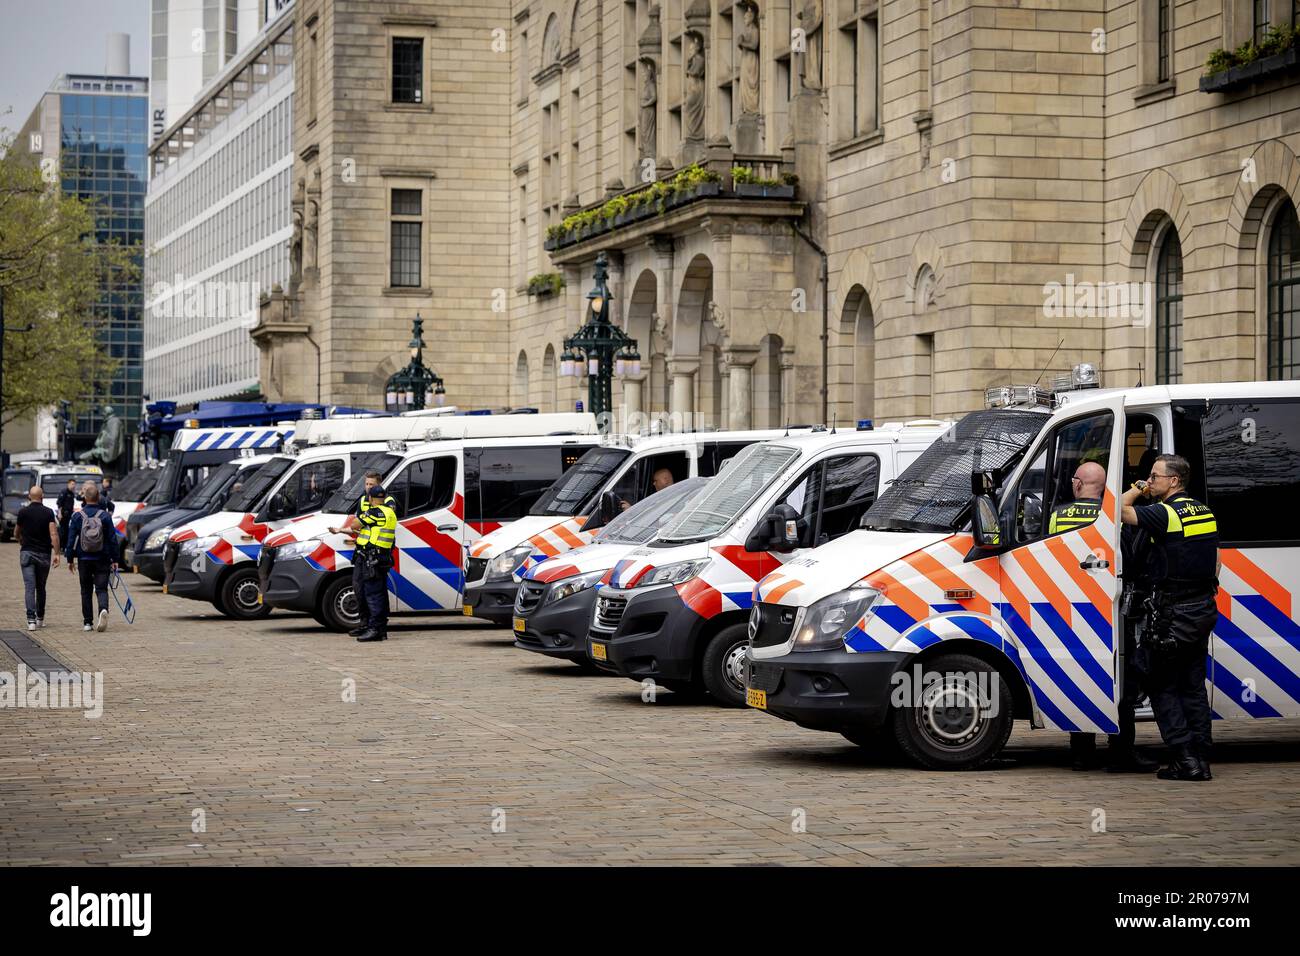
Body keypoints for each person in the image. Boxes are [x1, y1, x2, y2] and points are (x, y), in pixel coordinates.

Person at [1121, 453, 1220, 782]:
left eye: (1154, 476)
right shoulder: (1204, 511)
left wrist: (1137, 488)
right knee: (1192, 686)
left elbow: (1115, 511)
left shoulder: (1165, 513)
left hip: (1173, 614)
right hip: (1203, 610)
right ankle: (1201, 756)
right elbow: (1216, 562)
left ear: (1173, 481)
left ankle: (1184, 758)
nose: (1150, 481)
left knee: (1158, 682)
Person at [328, 471, 397, 637]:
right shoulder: (364, 501)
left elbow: (357, 523)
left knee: (375, 592)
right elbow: (358, 526)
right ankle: (367, 624)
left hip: (377, 554)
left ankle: (377, 627)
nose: (367, 488)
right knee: (361, 589)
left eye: (371, 485)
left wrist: (361, 521)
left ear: (378, 486)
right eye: (366, 484)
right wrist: (340, 530)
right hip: (363, 552)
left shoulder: (386, 504)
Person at [65, 481, 120, 633]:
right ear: (99, 498)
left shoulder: (77, 516)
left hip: (84, 558)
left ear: (85, 498)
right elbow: (112, 539)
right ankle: (103, 609)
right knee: (101, 588)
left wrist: (70, 559)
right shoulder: (105, 516)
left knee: (85, 590)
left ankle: (87, 622)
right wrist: (115, 559)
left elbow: (70, 540)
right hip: (102, 558)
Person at [351, 485, 398, 643]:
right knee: (379, 593)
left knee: (373, 595)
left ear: (370, 498)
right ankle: (381, 629)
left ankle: (375, 629)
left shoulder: (374, 512)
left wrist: (363, 515)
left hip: (373, 559)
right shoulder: (389, 512)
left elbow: (354, 525)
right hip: (382, 557)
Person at [15, 486, 60, 630]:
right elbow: (53, 534)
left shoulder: (23, 512)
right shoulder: (48, 512)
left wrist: (19, 540)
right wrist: (57, 553)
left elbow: (17, 531)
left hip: (27, 553)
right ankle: (40, 618)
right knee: (41, 587)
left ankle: (31, 621)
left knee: (29, 587)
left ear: (29, 496)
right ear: (42, 496)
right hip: (43, 554)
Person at [56, 478, 78, 547]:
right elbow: (59, 503)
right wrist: (59, 513)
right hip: (63, 514)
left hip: (69, 515)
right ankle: (60, 546)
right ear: (68, 484)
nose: (73, 486)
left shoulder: (71, 493)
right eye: (72, 484)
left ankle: (64, 546)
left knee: (66, 531)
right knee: (62, 531)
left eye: (74, 484)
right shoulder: (64, 492)